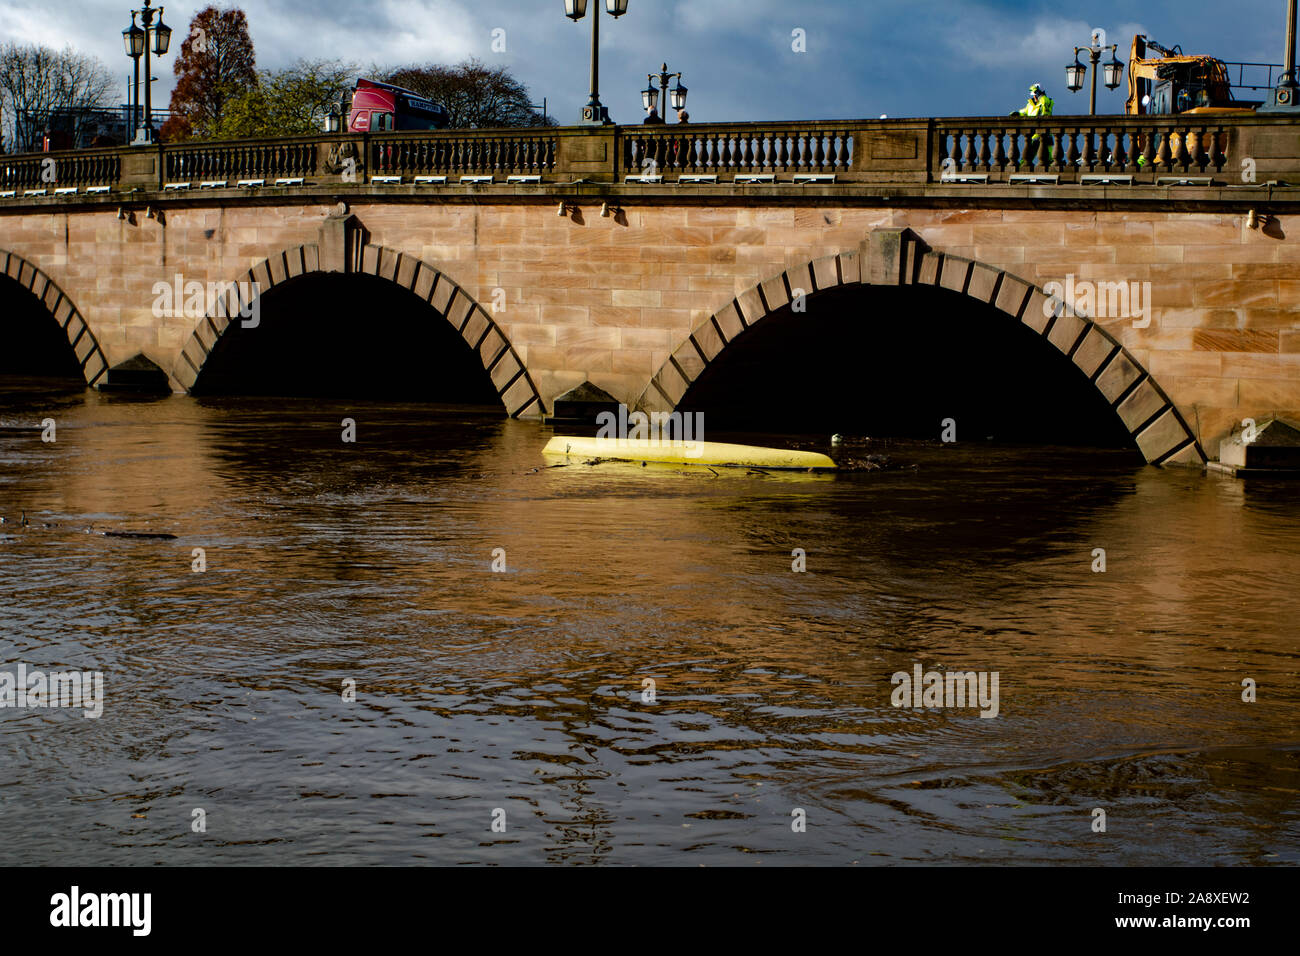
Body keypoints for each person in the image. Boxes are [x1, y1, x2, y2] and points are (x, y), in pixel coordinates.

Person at [1012, 83, 1055, 163]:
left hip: (1045, 134)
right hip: (1034, 134)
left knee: (1049, 159)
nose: (1034, 96)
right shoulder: (1030, 105)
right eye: (1033, 95)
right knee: (1028, 156)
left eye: (1035, 94)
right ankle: (1020, 169)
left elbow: (1045, 108)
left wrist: (1041, 95)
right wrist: (1017, 114)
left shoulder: (1046, 101)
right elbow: (1024, 112)